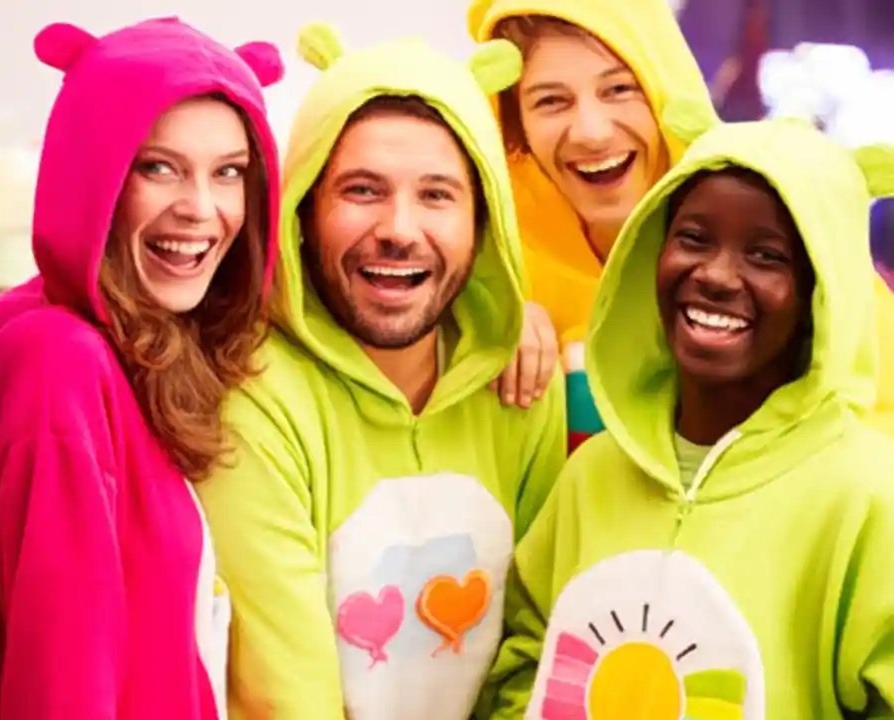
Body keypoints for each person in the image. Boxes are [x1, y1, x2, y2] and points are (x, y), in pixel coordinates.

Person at [195, 24, 567, 720]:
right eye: (362, 190)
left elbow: (534, 645)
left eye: (437, 195)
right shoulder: (252, 395)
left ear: (484, 223)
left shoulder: (521, 384)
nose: (399, 228)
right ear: (302, 213)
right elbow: (286, 696)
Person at [481, 112, 894, 717]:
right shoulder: (593, 473)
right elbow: (526, 655)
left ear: (820, 294)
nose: (718, 275)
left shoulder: (868, 495)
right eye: (695, 238)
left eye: (767, 255)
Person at [0, 18, 283, 720]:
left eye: (230, 173)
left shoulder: (132, 359)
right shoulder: (55, 367)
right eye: (159, 167)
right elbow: (61, 691)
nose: (203, 210)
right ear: (93, 175)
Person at [467, 0, 894, 443]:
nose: (592, 132)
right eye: (552, 101)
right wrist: (485, 337)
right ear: (515, 125)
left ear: (667, 90)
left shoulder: (792, 245)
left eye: (619, 89)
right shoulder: (491, 269)